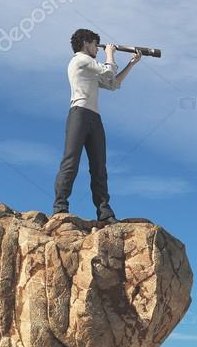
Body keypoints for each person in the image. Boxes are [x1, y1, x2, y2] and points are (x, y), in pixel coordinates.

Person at [53, 28, 142, 223]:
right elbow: (109, 69)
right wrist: (110, 53)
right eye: (95, 44)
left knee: (99, 167)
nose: (97, 49)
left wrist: (131, 64)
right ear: (86, 43)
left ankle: (104, 212)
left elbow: (113, 83)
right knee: (71, 162)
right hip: (79, 114)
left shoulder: (90, 66)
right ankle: (60, 206)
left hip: (94, 118)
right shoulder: (80, 60)